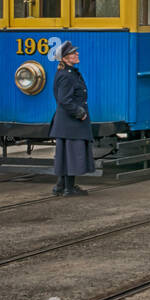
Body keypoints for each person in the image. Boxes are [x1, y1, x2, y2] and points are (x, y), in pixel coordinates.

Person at [49, 41, 93, 196]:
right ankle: (69, 188)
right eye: (74, 53)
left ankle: (61, 186)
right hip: (71, 123)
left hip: (68, 124)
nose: (77, 54)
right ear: (66, 58)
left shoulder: (69, 73)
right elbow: (64, 100)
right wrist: (79, 113)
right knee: (73, 155)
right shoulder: (66, 76)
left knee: (66, 155)